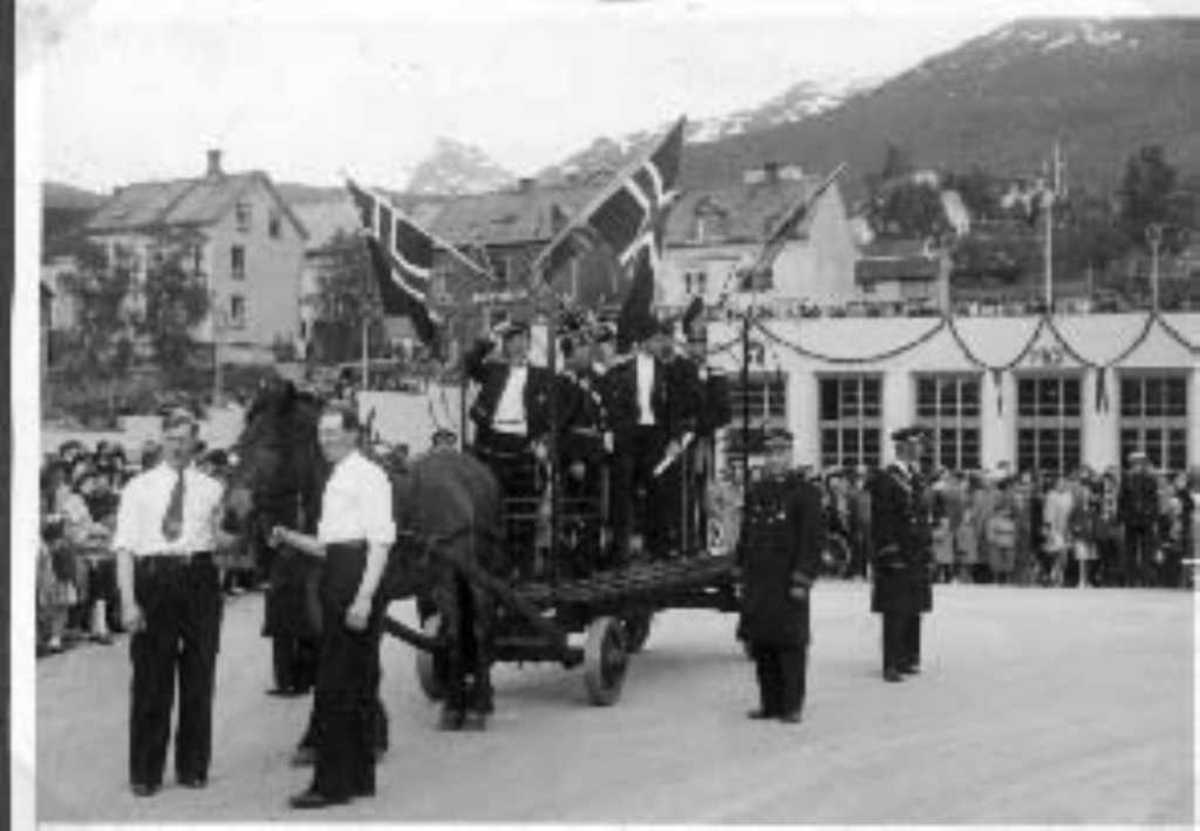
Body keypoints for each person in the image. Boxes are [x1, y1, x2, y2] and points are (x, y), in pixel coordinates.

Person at [271, 403, 395, 810]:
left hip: (355, 576)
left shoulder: (369, 476)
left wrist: (363, 597)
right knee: (355, 683)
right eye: (321, 433)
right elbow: (328, 546)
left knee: (334, 685)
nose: (325, 440)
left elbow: (379, 541)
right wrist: (289, 536)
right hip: (338, 567)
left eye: (333, 432)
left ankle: (330, 785)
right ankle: (358, 779)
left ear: (353, 434)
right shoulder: (339, 475)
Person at [112, 409, 228, 797]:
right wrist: (129, 602)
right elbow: (125, 548)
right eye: (172, 439)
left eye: (186, 440)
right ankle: (145, 772)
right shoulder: (138, 487)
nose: (179, 447)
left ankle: (193, 767)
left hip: (199, 579)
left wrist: (235, 536)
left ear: (196, 443)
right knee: (151, 679)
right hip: (155, 579)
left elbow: (222, 540)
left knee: (198, 676)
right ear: (162, 441)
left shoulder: (212, 488)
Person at [736, 432, 822, 724]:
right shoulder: (757, 490)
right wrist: (739, 572)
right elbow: (746, 535)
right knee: (762, 643)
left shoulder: (805, 492)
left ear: (790, 455)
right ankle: (769, 703)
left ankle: (792, 705)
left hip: (787, 581)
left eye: (781, 453)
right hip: (760, 580)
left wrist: (803, 580)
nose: (775, 459)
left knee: (790, 645)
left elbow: (812, 541)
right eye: (770, 454)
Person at [465, 319, 553, 578]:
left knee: (524, 512)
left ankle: (524, 570)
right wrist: (490, 335)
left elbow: (551, 412)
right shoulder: (493, 370)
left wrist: (543, 440)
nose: (518, 345)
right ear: (505, 344)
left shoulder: (542, 375)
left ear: (529, 343)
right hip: (493, 443)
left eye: (523, 339)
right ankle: (495, 569)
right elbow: (470, 362)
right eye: (513, 340)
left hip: (523, 445)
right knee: (492, 510)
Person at [868, 427, 933, 683]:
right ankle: (891, 662)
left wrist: (927, 549)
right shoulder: (887, 478)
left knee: (913, 607)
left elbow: (922, 517)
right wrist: (888, 552)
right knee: (894, 609)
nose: (921, 449)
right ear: (903, 447)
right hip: (896, 552)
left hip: (915, 552)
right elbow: (881, 520)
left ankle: (909, 657)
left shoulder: (916, 477)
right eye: (917, 445)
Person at [1118, 450, 1160, 587]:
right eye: (1134, 464)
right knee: (1130, 550)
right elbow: (1122, 500)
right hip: (1130, 519)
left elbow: (1155, 500)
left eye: (1140, 463)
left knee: (1147, 551)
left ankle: (1146, 580)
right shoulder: (1126, 479)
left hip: (1146, 519)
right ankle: (1130, 580)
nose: (1137, 466)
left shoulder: (1151, 480)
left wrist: (1154, 517)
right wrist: (1121, 518)